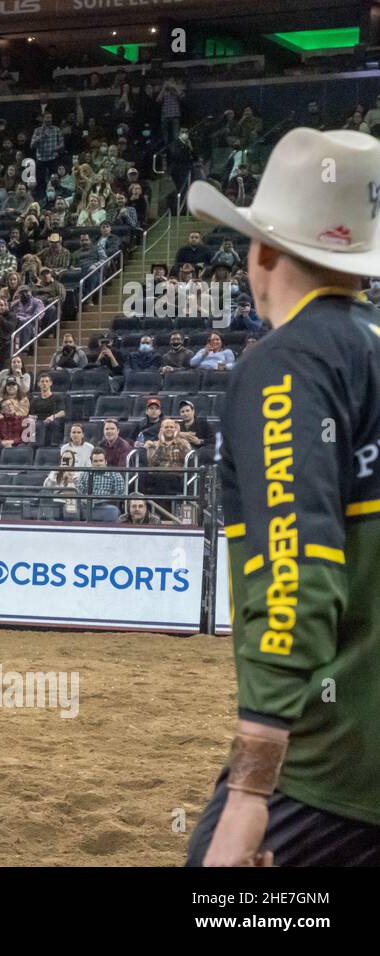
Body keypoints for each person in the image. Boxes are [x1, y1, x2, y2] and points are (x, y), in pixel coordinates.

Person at [184, 128, 380, 865]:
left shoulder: (289, 363)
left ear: (261, 251)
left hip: (333, 768)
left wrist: (249, 792)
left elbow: (297, 572)